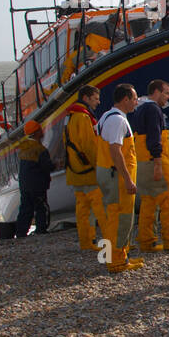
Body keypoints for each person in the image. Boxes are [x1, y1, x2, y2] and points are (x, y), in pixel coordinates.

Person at [130, 79, 169, 253]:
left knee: (150, 200)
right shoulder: (153, 109)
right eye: (166, 93)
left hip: (142, 160)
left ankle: (146, 240)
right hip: (154, 158)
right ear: (156, 92)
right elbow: (154, 136)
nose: (168, 98)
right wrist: (158, 162)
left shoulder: (139, 109)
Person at [95, 84, 144, 273]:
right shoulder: (118, 121)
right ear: (125, 99)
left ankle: (115, 256)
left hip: (107, 173)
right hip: (116, 176)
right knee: (120, 217)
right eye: (134, 98)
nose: (136, 102)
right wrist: (128, 180)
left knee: (110, 216)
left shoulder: (106, 116)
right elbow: (115, 151)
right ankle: (117, 260)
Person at [65, 85, 106, 251]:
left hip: (74, 170)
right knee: (100, 208)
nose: (98, 102)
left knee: (82, 209)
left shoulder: (70, 117)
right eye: (95, 98)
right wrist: (100, 165)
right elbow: (89, 144)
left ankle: (86, 241)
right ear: (86, 98)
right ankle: (111, 243)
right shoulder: (83, 117)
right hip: (88, 170)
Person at [14, 120, 53, 238]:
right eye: (40, 130)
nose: (43, 132)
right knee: (41, 207)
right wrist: (57, 164)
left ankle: (20, 233)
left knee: (26, 208)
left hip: (24, 184)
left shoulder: (23, 148)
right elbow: (47, 166)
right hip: (37, 184)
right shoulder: (40, 149)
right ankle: (41, 230)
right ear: (36, 133)